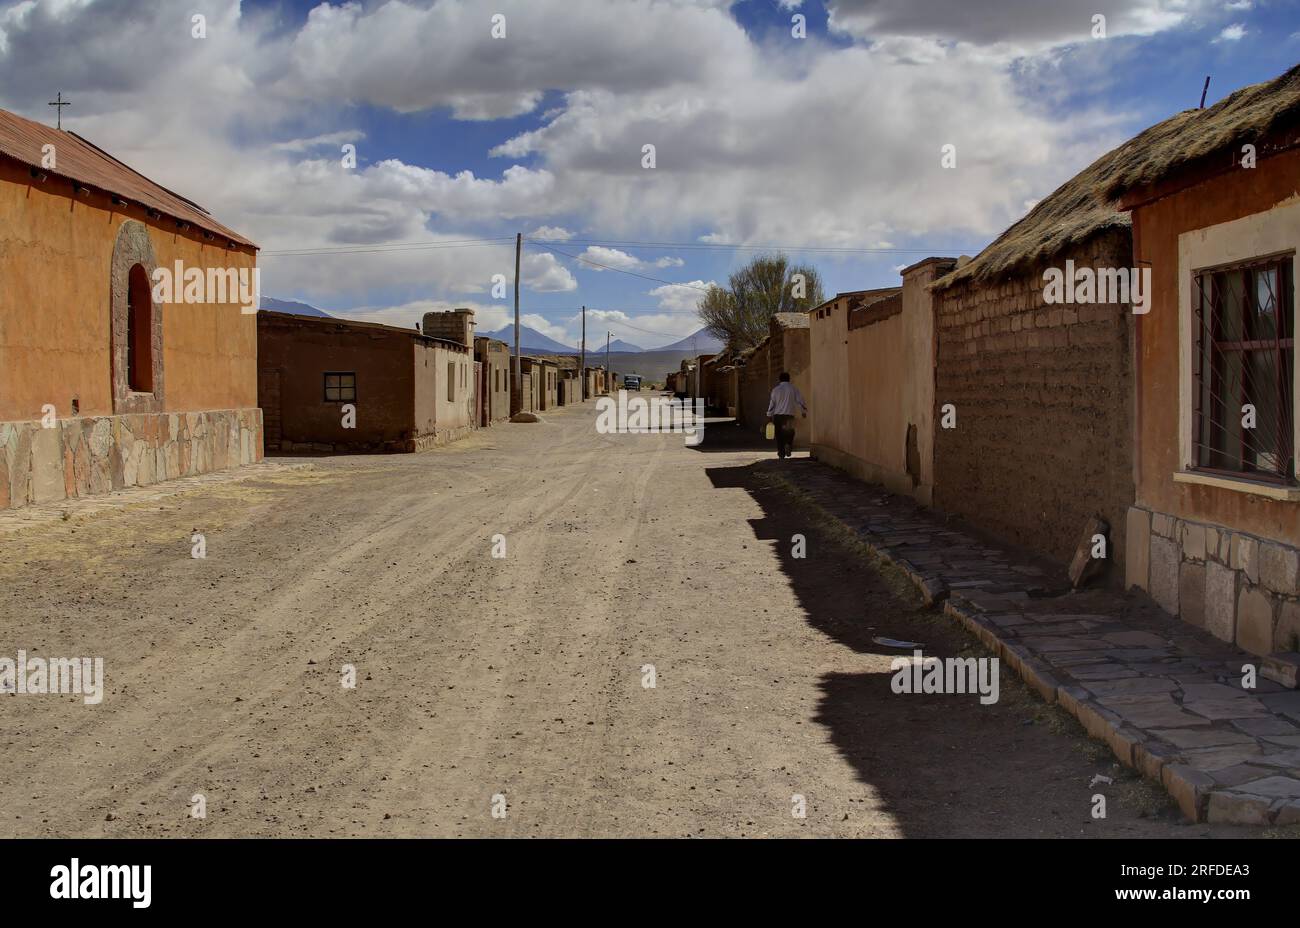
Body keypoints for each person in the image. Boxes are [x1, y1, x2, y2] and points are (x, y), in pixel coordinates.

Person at [765, 371, 806, 459]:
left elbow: (772, 404)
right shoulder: (793, 389)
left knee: (779, 435)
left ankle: (781, 453)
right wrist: (803, 411)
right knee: (790, 432)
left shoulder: (776, 390)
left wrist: (769, 416)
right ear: (789, 379)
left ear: (780, 380)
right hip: (789, 415)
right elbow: (800, 401)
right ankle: (788, 444)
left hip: (778, 416)